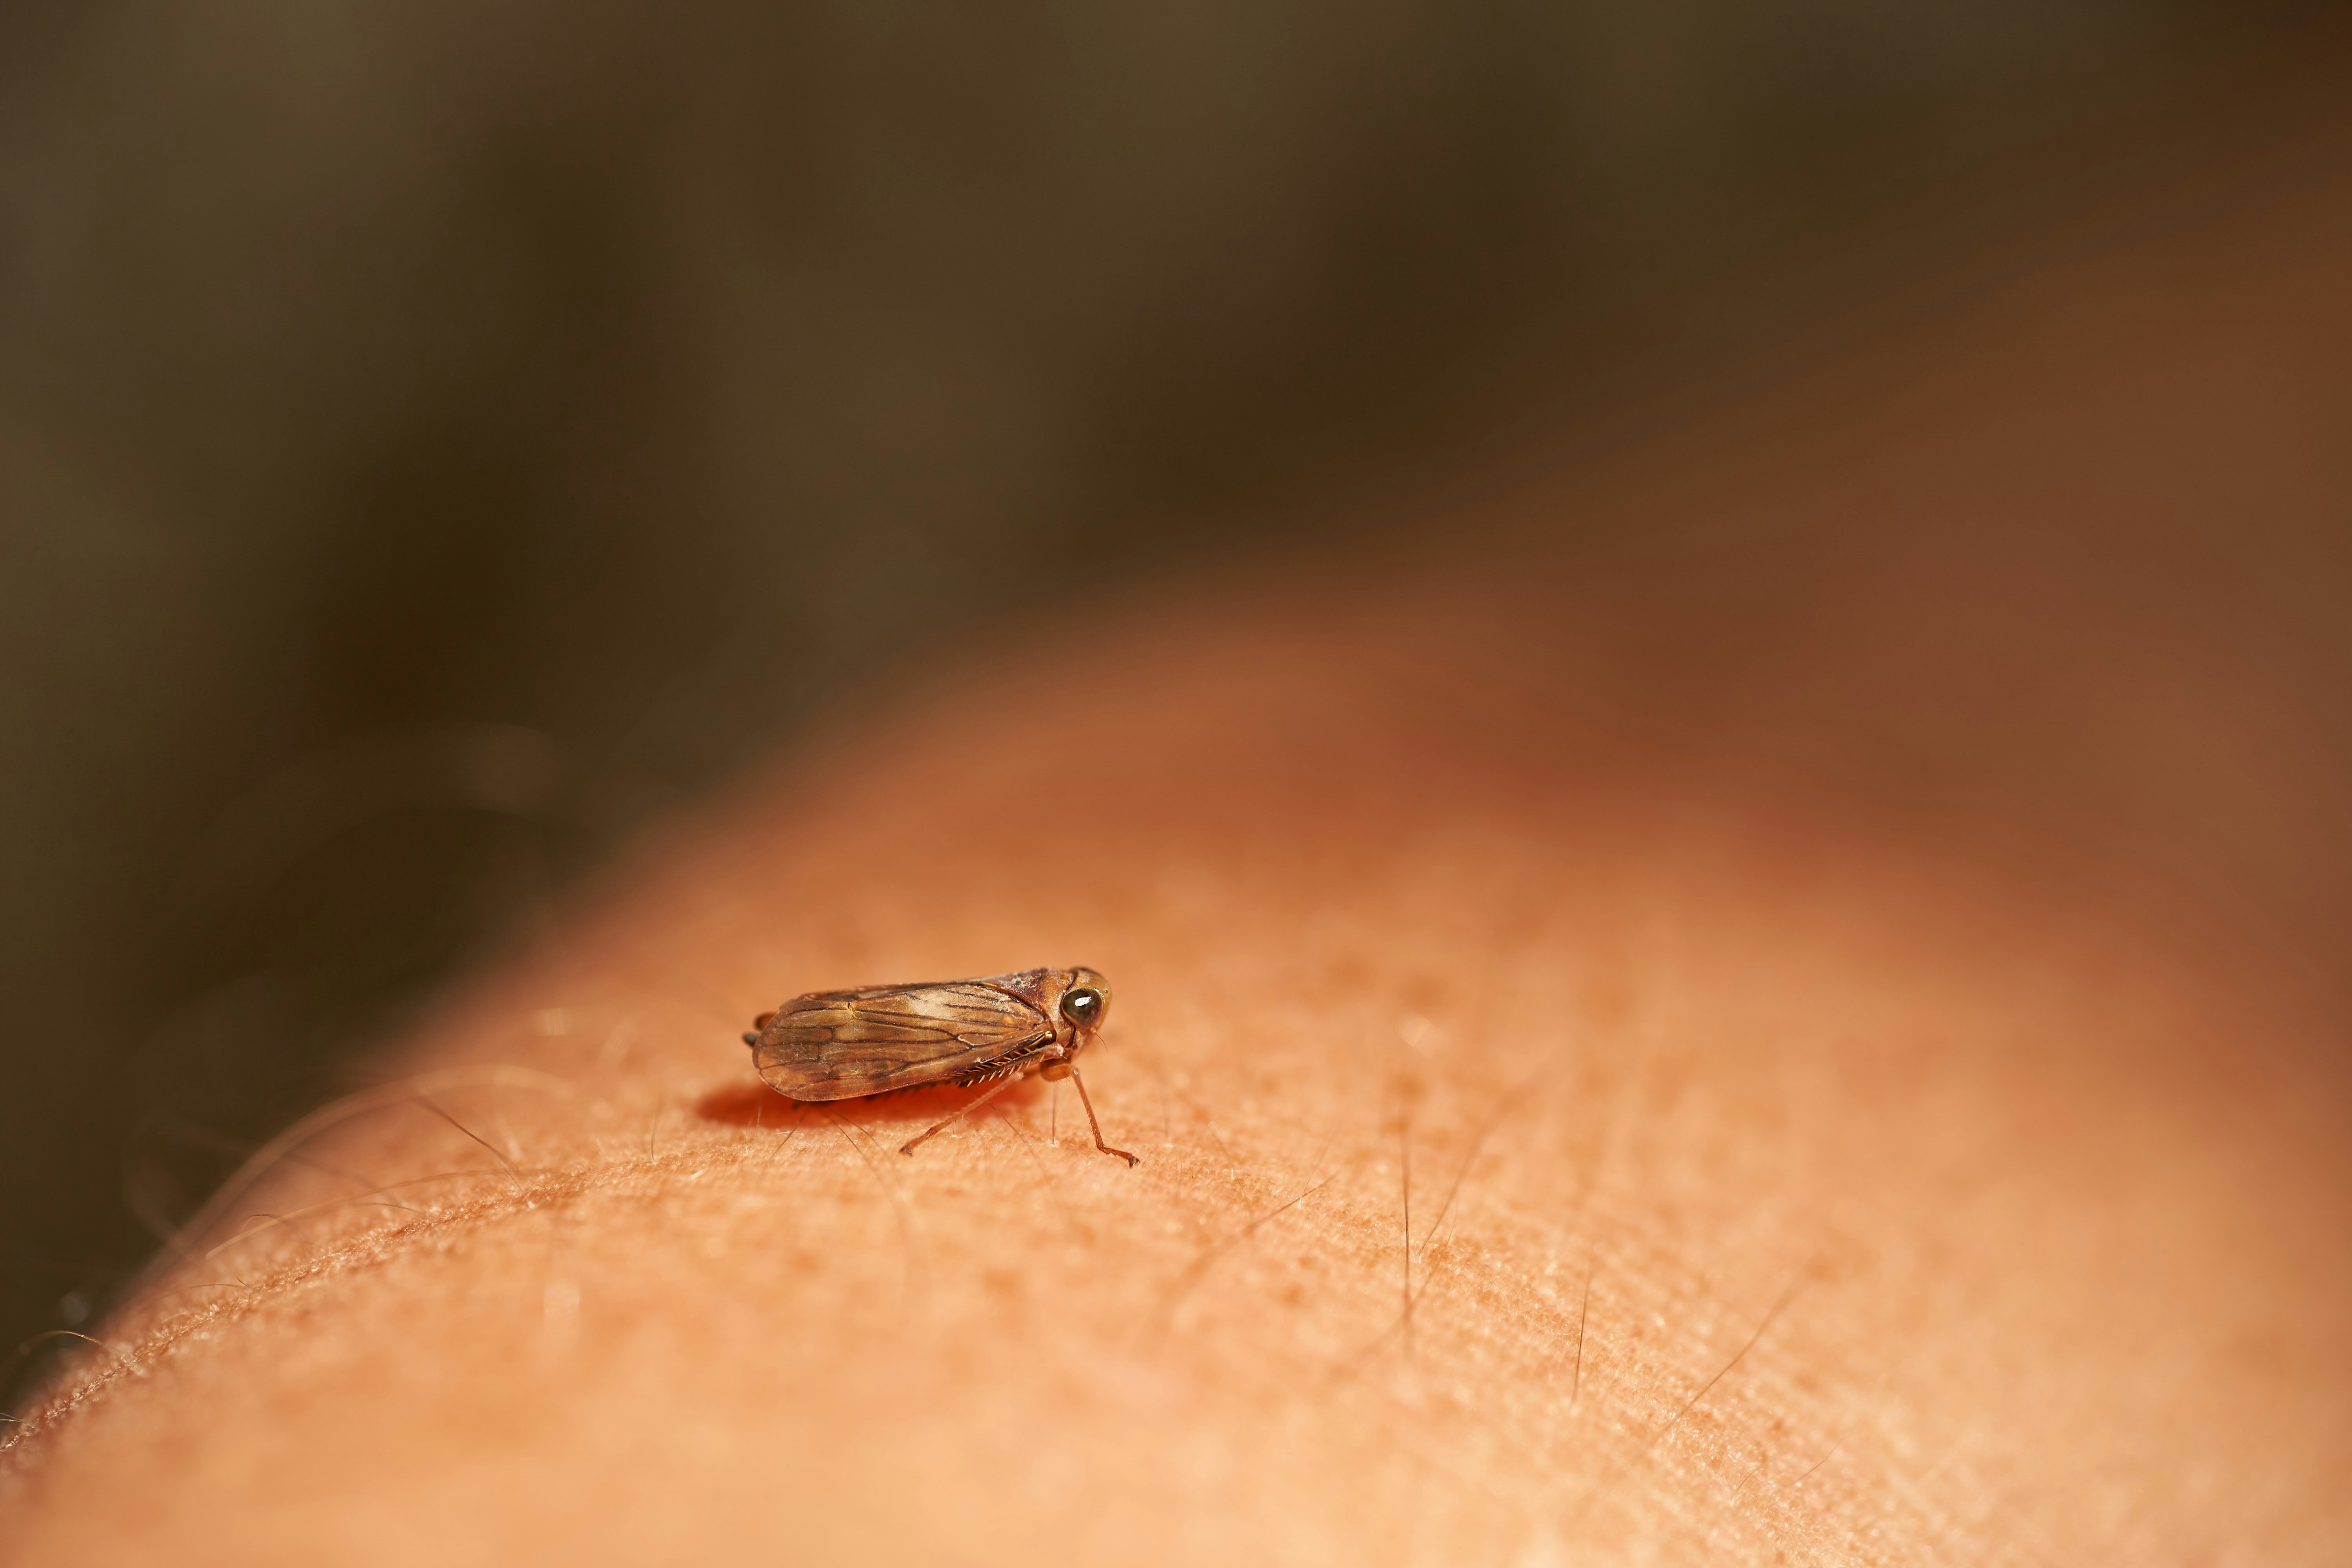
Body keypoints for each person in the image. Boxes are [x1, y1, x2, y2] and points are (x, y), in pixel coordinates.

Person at [5, 89, 2350, 1568]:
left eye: (1073, 1023)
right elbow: (910, 1051)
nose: (1077, 1034)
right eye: (1076, 1021)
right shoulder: (1007, 1034)